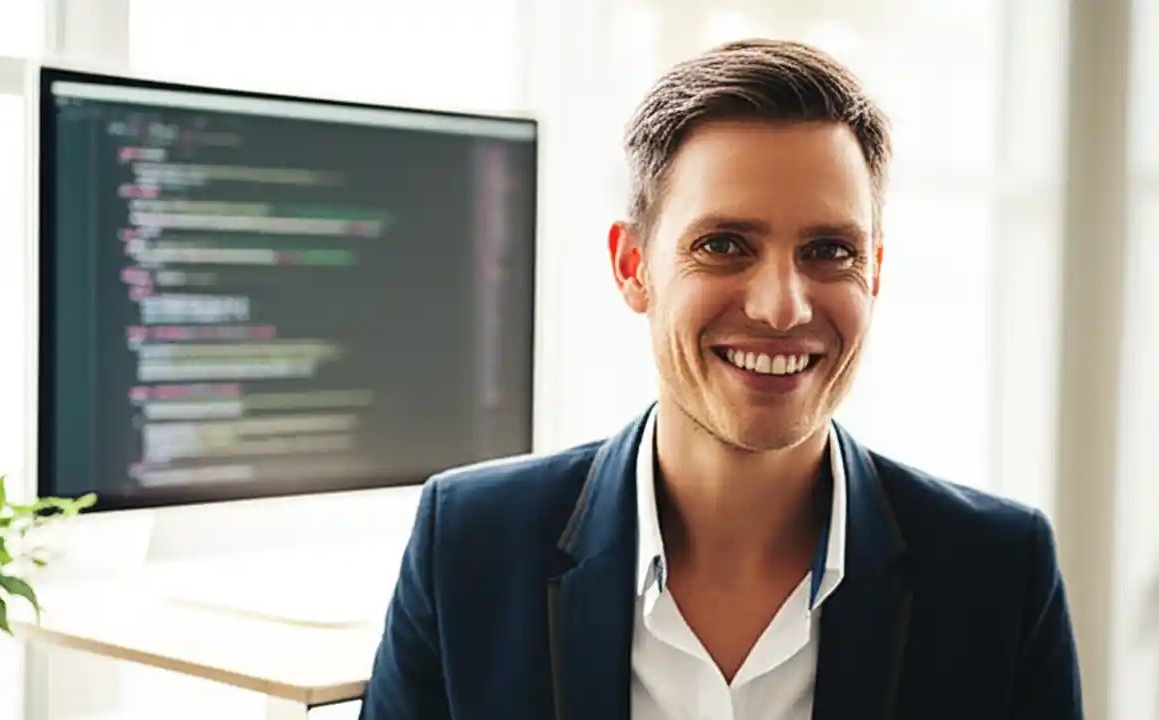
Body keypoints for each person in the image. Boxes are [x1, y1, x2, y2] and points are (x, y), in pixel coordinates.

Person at [360, 39, 1082, 719]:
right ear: (632, 266)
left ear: (878, 272)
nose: (781, 306)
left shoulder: (998, 573)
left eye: (830, 250)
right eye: (725, 245)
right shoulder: (469, 543)